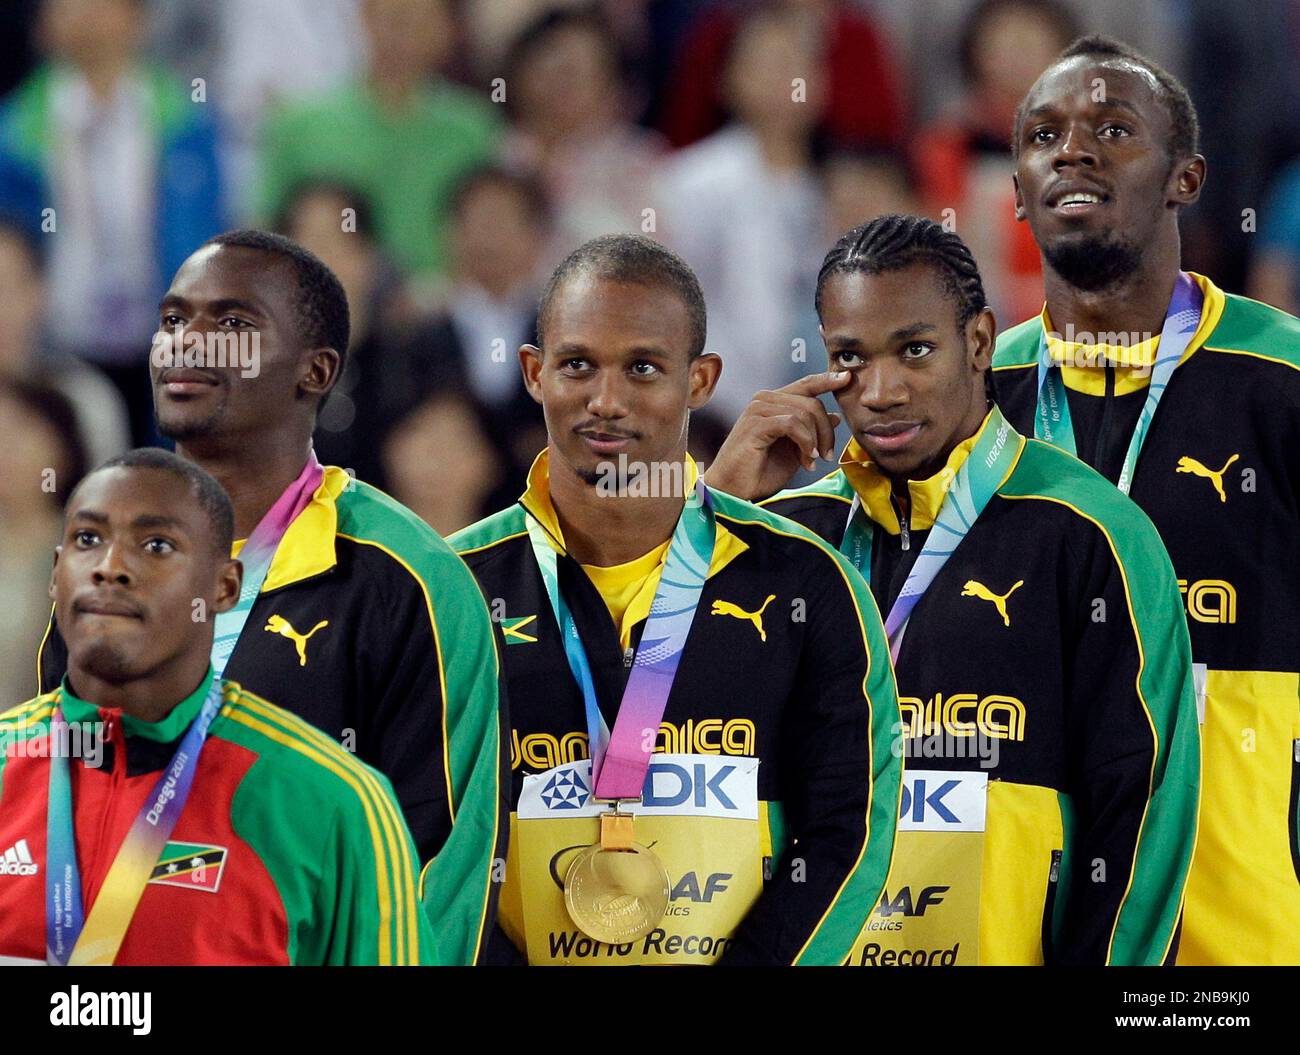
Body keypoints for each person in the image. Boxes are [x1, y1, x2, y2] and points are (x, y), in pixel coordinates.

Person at [704, 214, 1200, 965]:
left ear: (978, 341)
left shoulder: (1090, 534)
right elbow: (659, 740)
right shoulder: (785, 538)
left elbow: (1140, 821)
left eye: (914, 349)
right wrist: (718, 515)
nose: (880, 391)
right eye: (850, 357)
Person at [36, 230, 507, 965]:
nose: (188, 343)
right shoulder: (102, 571)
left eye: (231, 325)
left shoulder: (408, 578)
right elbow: (58, 815)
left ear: (315, 371)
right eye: (172, 320)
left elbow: (442, 867)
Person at [450, 233, 901, 965]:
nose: (606, 400)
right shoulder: (454, 588)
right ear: (532, 373)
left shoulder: (807, 584)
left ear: (700, 380)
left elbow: (846, 832)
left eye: (643, 368)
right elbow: (427, 846)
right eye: (577, 365)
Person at [992, 35, 1300, 965]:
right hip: (1007, 926)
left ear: (1186, 177)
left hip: (1235, 935)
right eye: (1044, 135)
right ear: (1016, 192)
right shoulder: (965, 400)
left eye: (1112, 129)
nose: (1072, 151)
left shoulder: (1280, 380)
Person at [0, 448, 432, 964]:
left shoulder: (334, 801)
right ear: (55, 573)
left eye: (156, 545)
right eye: (88, 540)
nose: (110, 567)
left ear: (224, 587)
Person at [0, 0, 225, 443]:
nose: (87, 16)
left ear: (136, 17)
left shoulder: (186, 121)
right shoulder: (14, 131)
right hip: (54, 341)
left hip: (163, 340)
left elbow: (210, 237)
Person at [255, 0, 501, 280]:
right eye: (392, 18)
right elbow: (264, 227)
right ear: (363, 19)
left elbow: (492, 228)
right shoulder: (301, 123)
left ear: (447, 30)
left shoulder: (473, 128)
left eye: (417, 20)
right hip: (328, 302)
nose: (401, 34)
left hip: (441, 307)